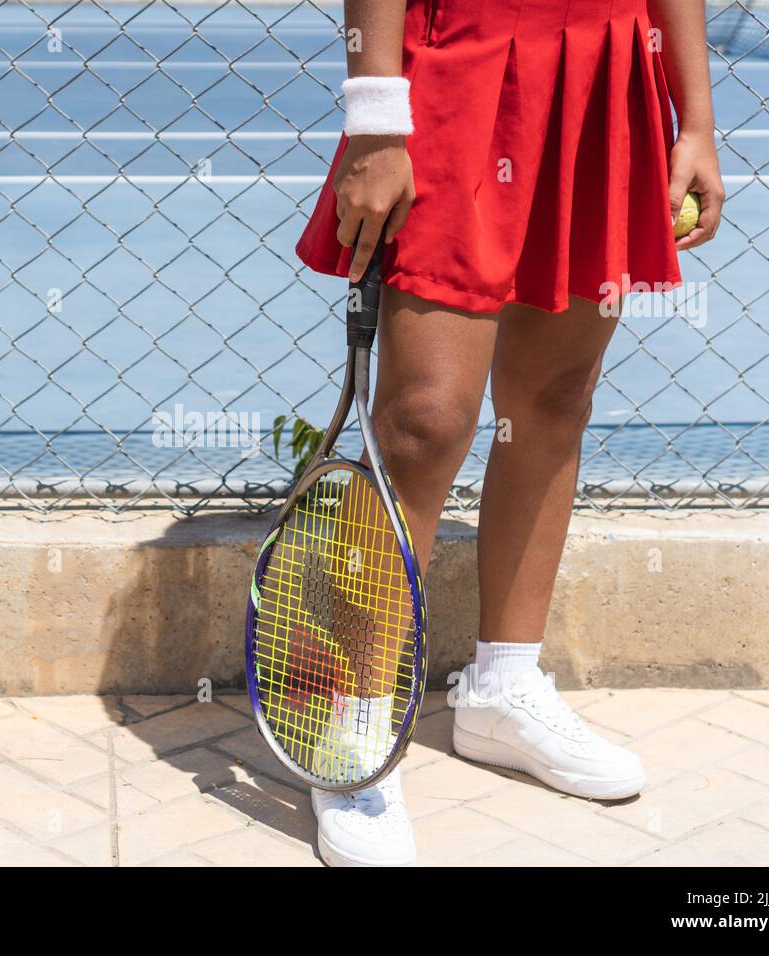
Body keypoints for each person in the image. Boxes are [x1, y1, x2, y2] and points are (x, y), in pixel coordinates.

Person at [296, 0, 724, 867]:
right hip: (462, 58)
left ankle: (501, 688)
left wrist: (696, 120)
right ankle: (355, 722)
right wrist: (377, 119)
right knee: (423, 421)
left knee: (556, 398)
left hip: (605, 64)